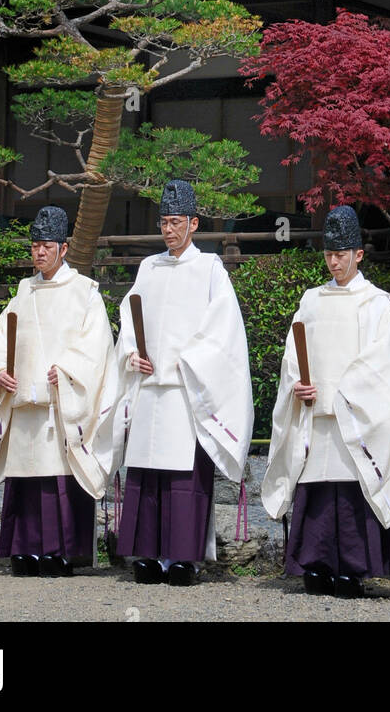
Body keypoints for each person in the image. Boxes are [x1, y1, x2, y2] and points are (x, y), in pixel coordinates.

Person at [262, 205, 390, 598]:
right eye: (329, 253)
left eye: (342, 253)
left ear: (359, 255)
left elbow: (384, 365)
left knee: (353, 490)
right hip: (316, 416)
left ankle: (356, 568)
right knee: (317, 488)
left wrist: (345, 395)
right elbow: (292, 356)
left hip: (355, 419)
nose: (334, 261)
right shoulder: (311, 301)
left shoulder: (376, 304)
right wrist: (298, 385)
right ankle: (314, 563)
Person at [108, 179, 253, 587]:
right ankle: (148, 554)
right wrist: (131, 355)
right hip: (149, 389)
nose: (168, 230)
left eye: (176, 222)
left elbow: (222, 334)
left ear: (194, 223)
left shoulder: (210, 269)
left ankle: (183, 557)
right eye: (163, 222)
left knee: (183, 480)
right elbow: (129, 321)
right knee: (147, 476)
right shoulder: (148, 268)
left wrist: (183, 363)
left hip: (185, 391)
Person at [0, 206, 116, 577]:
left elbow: (96, 346)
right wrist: (1, 371)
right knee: (25, 474)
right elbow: (3, 337)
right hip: (24, 400)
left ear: (63, 249)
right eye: (35, 246)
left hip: (59, 401)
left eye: (46, 246)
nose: (39, 253)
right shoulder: (23, 291)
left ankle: (61, 552)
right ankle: (23, 549)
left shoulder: (85, 293)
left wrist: (68, 372)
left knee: (57, 475)